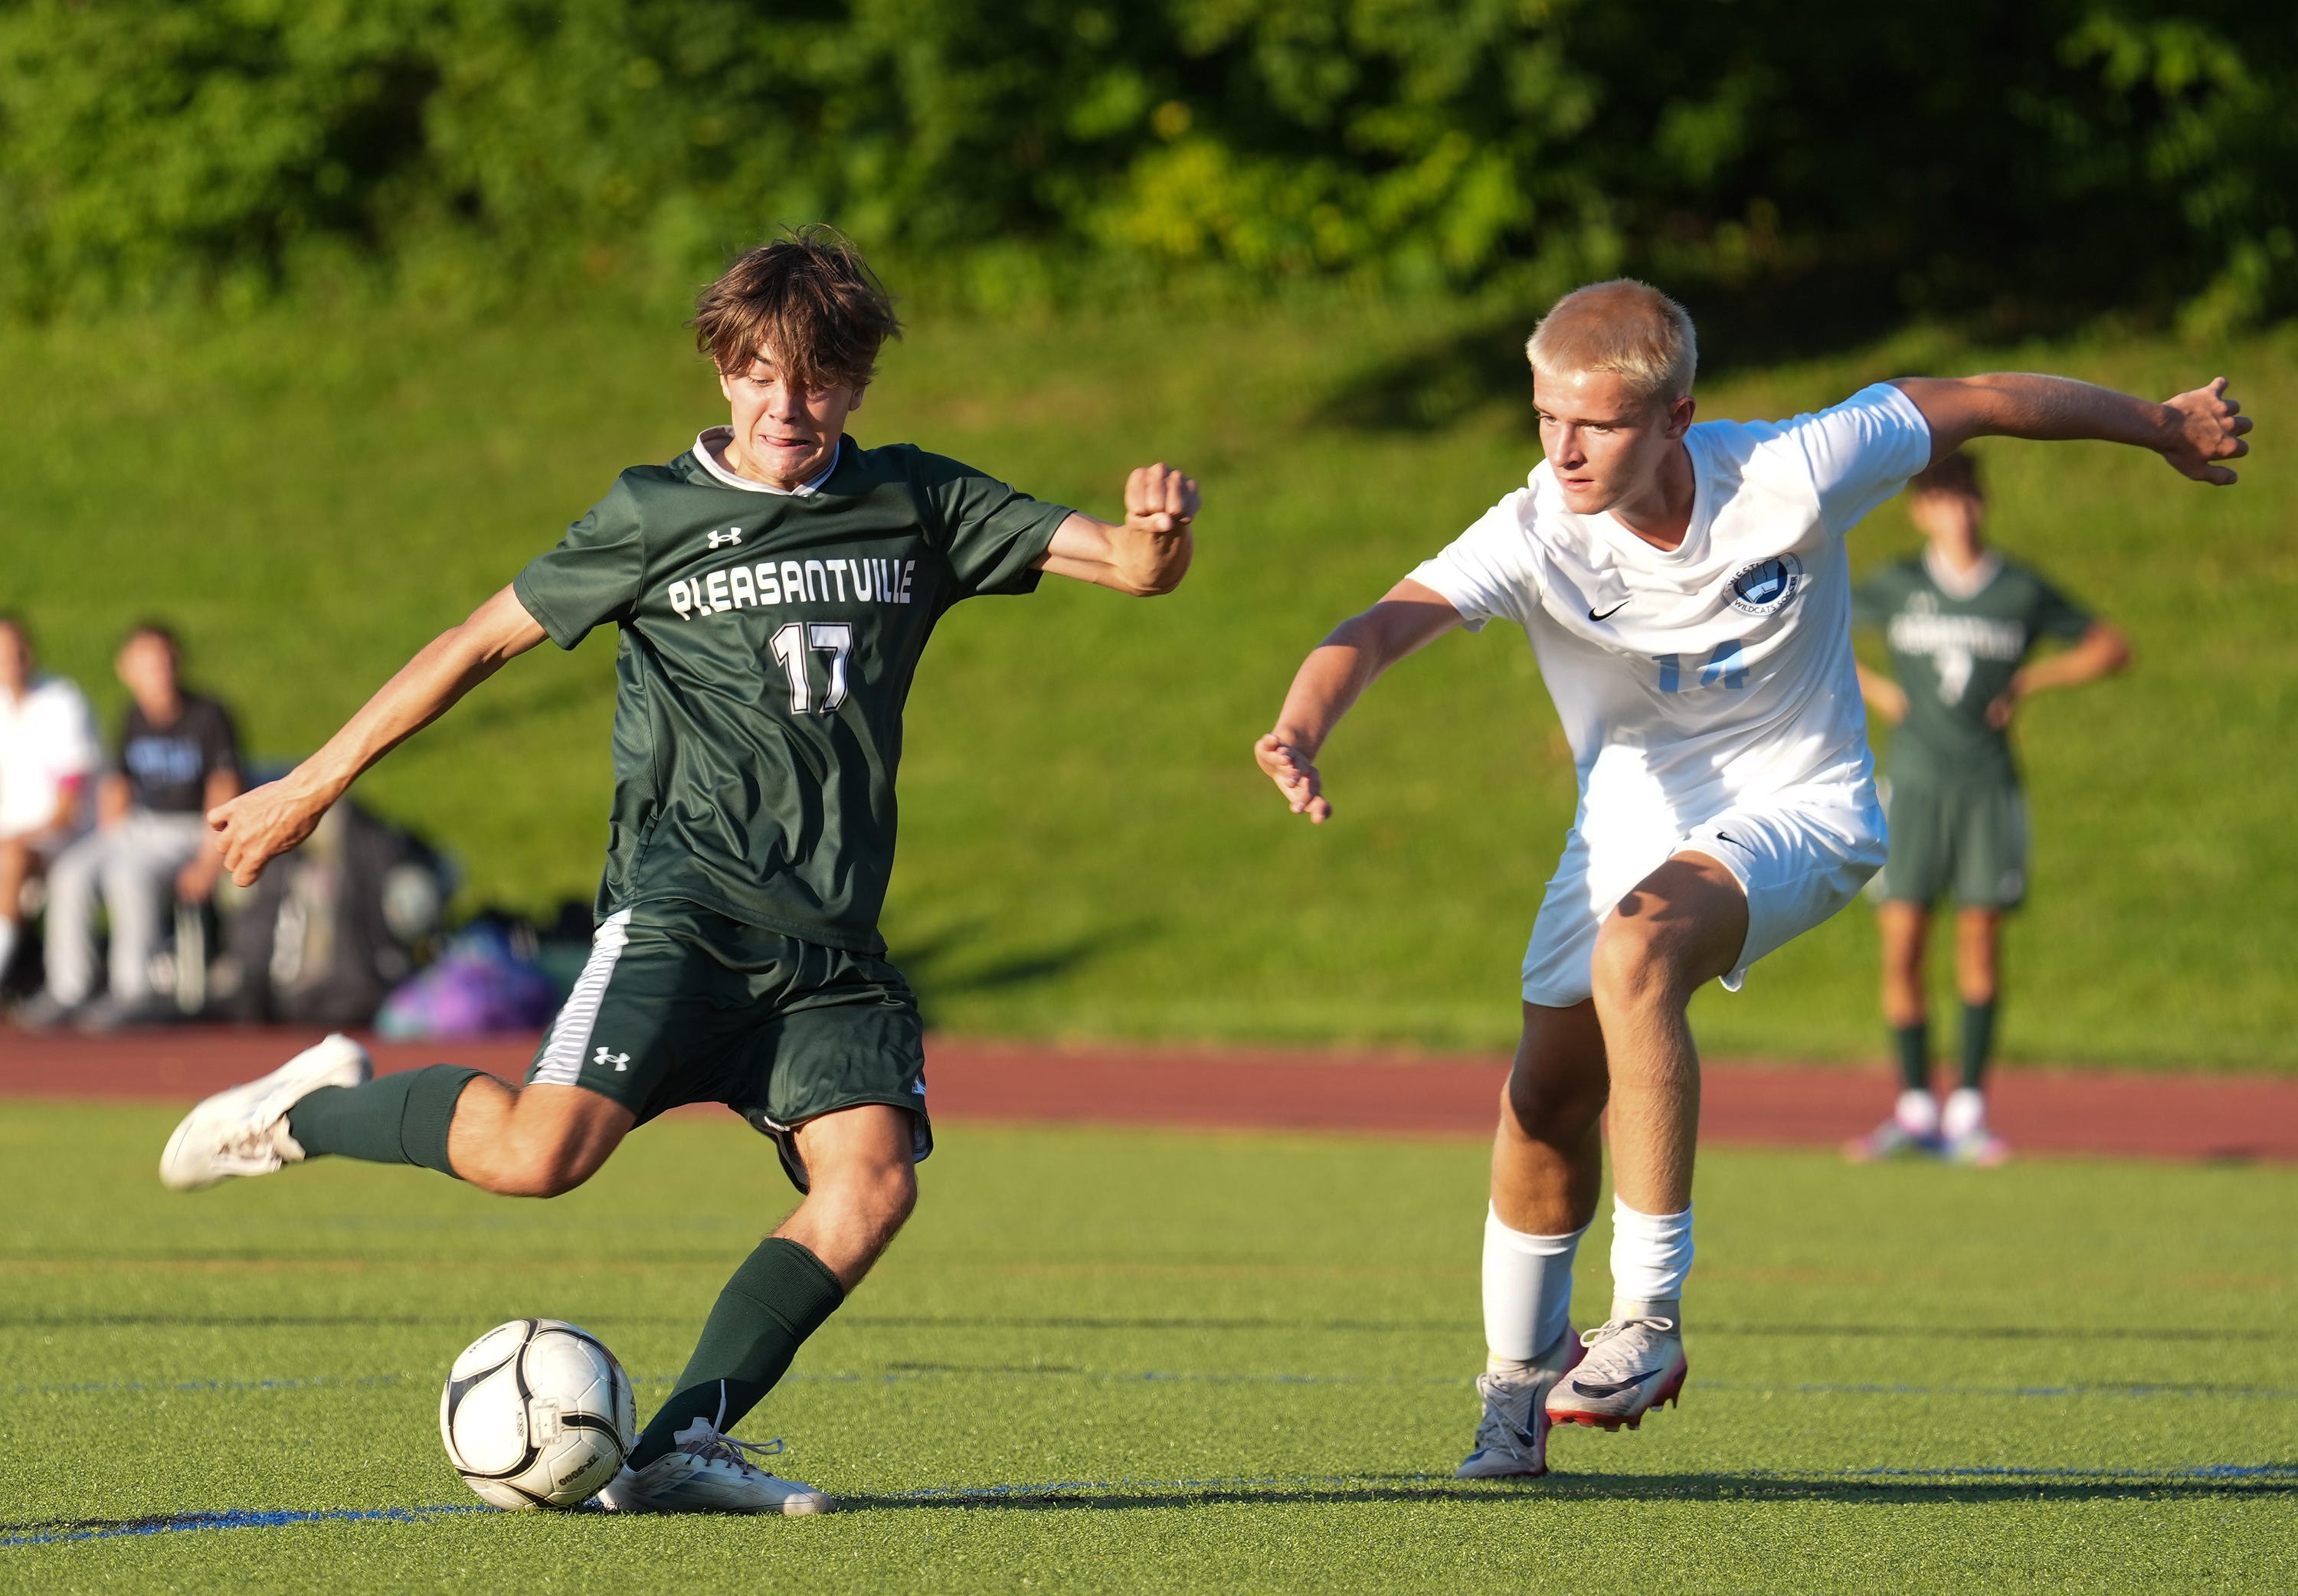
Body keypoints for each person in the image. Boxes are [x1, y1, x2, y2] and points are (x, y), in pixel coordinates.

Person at [158, 230, 1198, 1515]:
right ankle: (308, 1106)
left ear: (858, 384)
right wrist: (309, 785)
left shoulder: (920, 501)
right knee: (539, 1158)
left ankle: (677, 1444)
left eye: (818, 379)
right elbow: (476, 642)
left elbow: (1131, 567)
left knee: (872, 1182)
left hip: (831, 948)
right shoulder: (652, 513)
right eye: (762, 373)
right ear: (722, 370)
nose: (787, 405)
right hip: (685, 912)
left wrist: (1159, 537)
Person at [1252, 280, 2247, 1480]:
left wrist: (2162, 424)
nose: (1563, 450)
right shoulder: (1531, 529)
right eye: (1544, 418)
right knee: (1542, 1102)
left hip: (1805, 812)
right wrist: (1300, 727)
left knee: (1639, 949)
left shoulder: (1794, 467)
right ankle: (1515, 1390)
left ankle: (1649, 1323)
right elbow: (1381, 624)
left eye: (1598, 426)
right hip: (1618, 835)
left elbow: (1981, 399)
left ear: (1678, 417)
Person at [1847, 453, 2129, 1166]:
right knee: (1903, 939)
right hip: (1911, 783)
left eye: (1969, 498)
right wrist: (1878, 693)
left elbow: (2108, 647)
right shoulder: (1900, 585)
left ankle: (1968, 1109)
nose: (1959, 513)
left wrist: (2034, 679)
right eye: (1943, 500)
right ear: (1920, 511)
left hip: (1987, 785)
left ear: (1985, 503)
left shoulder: (2017, 590)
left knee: (1979, 941)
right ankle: (1914, 1110)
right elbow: (1815, 633)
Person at [21, 622, 241, 1029]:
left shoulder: (209, 715)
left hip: (187, 829)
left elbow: (224, 790)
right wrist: (108, 839)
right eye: (147, 663)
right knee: (71, 871)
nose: (159, 671)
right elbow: (117, 786)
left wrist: (210, 861)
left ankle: (132, 990)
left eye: (164, 660)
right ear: (128, 670)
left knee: (128, 875)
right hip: (139, 829)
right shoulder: (132, 717)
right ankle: (68, 988)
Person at [0, 615, 101, 993]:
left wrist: (15, 837)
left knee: (10, 857)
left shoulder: (63, 704)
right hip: (14, 836)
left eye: (14, 651)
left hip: (63, 836)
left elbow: (68, 807)